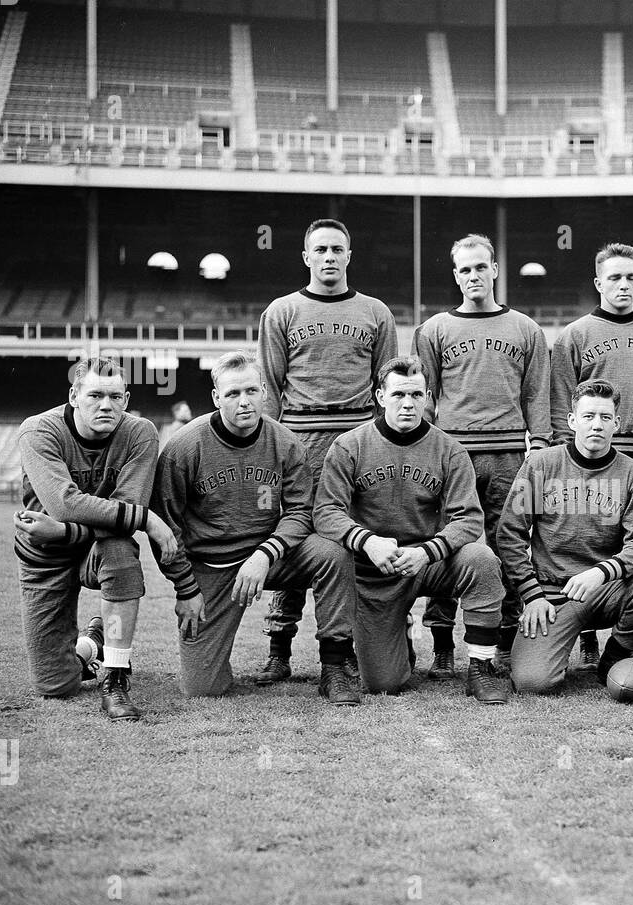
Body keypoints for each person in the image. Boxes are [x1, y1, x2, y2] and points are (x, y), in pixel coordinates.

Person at [152, 352, 359, 703]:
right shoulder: (184, 448)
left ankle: (334, 666)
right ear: (216, 398)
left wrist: (266, 553)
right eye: (232, 394)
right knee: (203, 687)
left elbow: (300, 511)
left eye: (251, 390)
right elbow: (166, 528)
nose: (244, 402)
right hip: (212, 565)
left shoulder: (285, 442)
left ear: (264, 391)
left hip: (269, 557)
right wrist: (185, 589)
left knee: (332, 553)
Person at [313, 358, 509, 703]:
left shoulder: (449, 449)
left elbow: (468, 519)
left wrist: (427, 552)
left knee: (481, 558)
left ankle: (481, 667)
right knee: (384, 682)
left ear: (428, 397)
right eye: (399, 394)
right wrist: (368, 542)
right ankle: (396, 631)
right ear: (380, 396)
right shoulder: (349, 446)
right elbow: (326, 512)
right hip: (374, 569)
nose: (408, 403)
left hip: (427, 561)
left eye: (416, 394)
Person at [256, 217, 398, 684]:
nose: (330, 257)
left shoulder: (376, 312)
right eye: (321, 250)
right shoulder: (282, 311)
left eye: (338, 249)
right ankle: (279, 646)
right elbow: (271, 387)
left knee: (356, 541)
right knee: (295, 535)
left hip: (358, 443)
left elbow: (387, 385)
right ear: (306, 257)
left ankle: (348, 648)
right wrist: (272, 448)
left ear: (349, 255)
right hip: (299, 440)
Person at [412, 233, 551, 675]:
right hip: (454, 455)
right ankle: (441, 646)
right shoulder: (434, 329)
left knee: (510, 546)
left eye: (480, 267)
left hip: (511, 455)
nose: (473, 275)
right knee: (448, 545)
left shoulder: (525, 328)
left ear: (494, 270)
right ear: (456, 276)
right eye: (464, 269)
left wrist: (541, 446)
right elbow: (426, 400)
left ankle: (504, 642)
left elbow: (536, 396)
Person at [13, 356, 179, 721]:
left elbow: (126, 508)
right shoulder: (39, 431)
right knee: (56, 686)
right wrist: (145, 519)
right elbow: (63, 503)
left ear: (127, 397)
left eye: (116, 396)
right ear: (74, 395)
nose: (106, 405)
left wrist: (66, 529)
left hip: (93, 546)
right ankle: (94, 643)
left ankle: (115, 678)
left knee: (120, 552)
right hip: (45, 555)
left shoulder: (140, 433)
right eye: (95, 396)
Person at [549, 242, 633, 670]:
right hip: (591, 458)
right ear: (598, 282)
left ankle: (630, 640)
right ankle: (587, 635)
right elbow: (559, 410)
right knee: (587, 539)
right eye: (614, 278)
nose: (623, 285)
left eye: (630, 277)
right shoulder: (575, 335)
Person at [499, 379, 633, 695]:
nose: (597, 425)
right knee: (533, 683)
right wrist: (532, 595)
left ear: (616, 423)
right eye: (588, 416)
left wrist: (601, 572)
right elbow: (510, 534)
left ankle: (615, 655)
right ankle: (547, 646)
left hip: (606, 588)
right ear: (572, 421)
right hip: (552, 594)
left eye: (605, 417)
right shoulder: (540, 465)